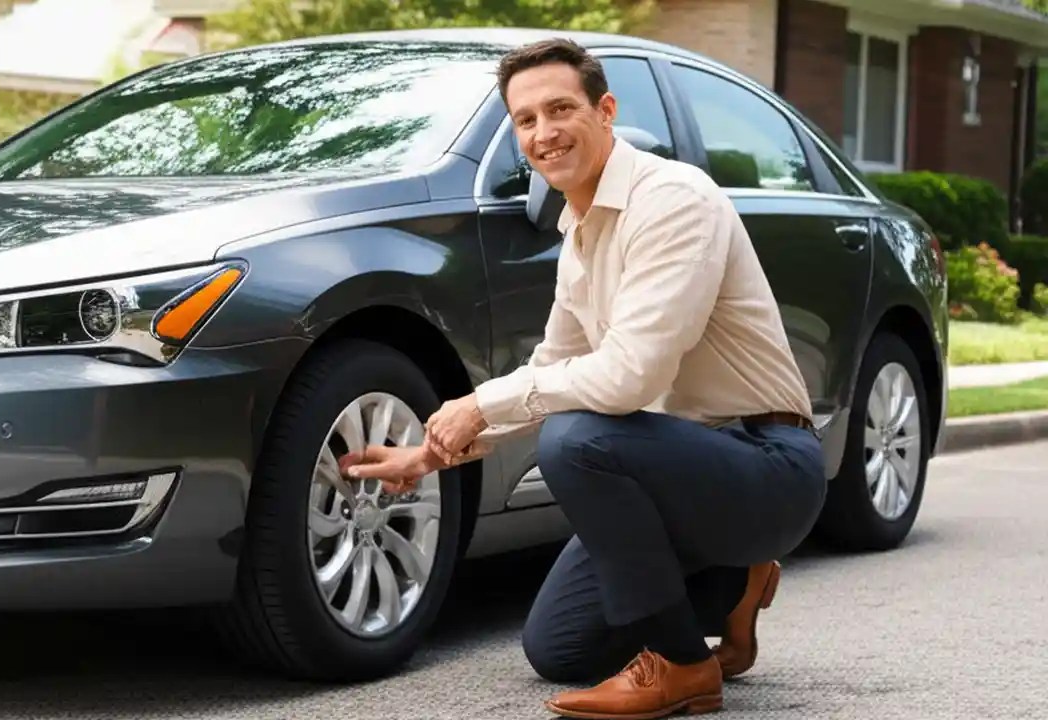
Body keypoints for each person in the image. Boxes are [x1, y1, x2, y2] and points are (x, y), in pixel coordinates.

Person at [339, 37, 827, 719]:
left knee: (574, 441)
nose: (543, 132)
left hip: (765, 464)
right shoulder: (581, 231)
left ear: (605, 111)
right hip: (680, 474)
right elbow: (551, 368)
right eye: (526, 119)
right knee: (559, 647)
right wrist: (434, 452)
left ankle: (683, 667)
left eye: (560, 109)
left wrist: (478, 404)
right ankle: (730, 591)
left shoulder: (673, 200)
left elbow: (630, 376)